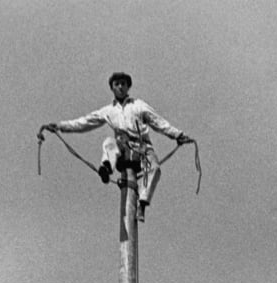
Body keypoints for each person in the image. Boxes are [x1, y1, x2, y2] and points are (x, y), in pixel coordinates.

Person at [41, 72, 193, 220]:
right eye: (117, 84)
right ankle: (106, 167)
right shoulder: (108, 110)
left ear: (128, 87)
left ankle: (142, 202)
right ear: (112, 88)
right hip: (122, 145)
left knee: (155, 168)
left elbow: (158, 122)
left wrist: (177, 135)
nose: (120, 87)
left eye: (123, 84)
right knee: (109, 142)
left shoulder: (139, 106)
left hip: (141, 146)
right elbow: (85, 122)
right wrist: (60, 126)